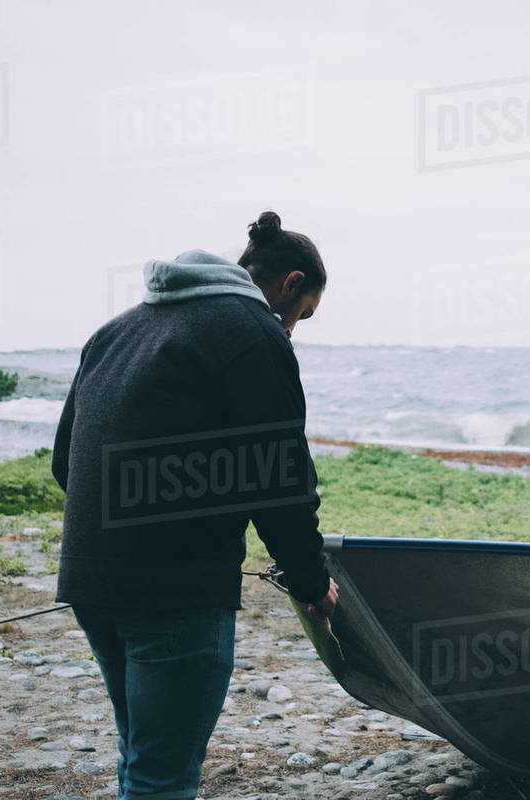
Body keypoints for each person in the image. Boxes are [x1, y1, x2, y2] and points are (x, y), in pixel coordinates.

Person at [50, 211, 340, 800]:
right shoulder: (254, 334)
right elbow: (280, 479)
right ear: (289, 284)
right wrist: (312, 584)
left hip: (89, 577)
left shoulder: (117, 331)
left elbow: (66, 462)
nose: (293, 329)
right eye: (302, 314)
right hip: (175, 592)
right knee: (163, 776)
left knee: (142, 756)